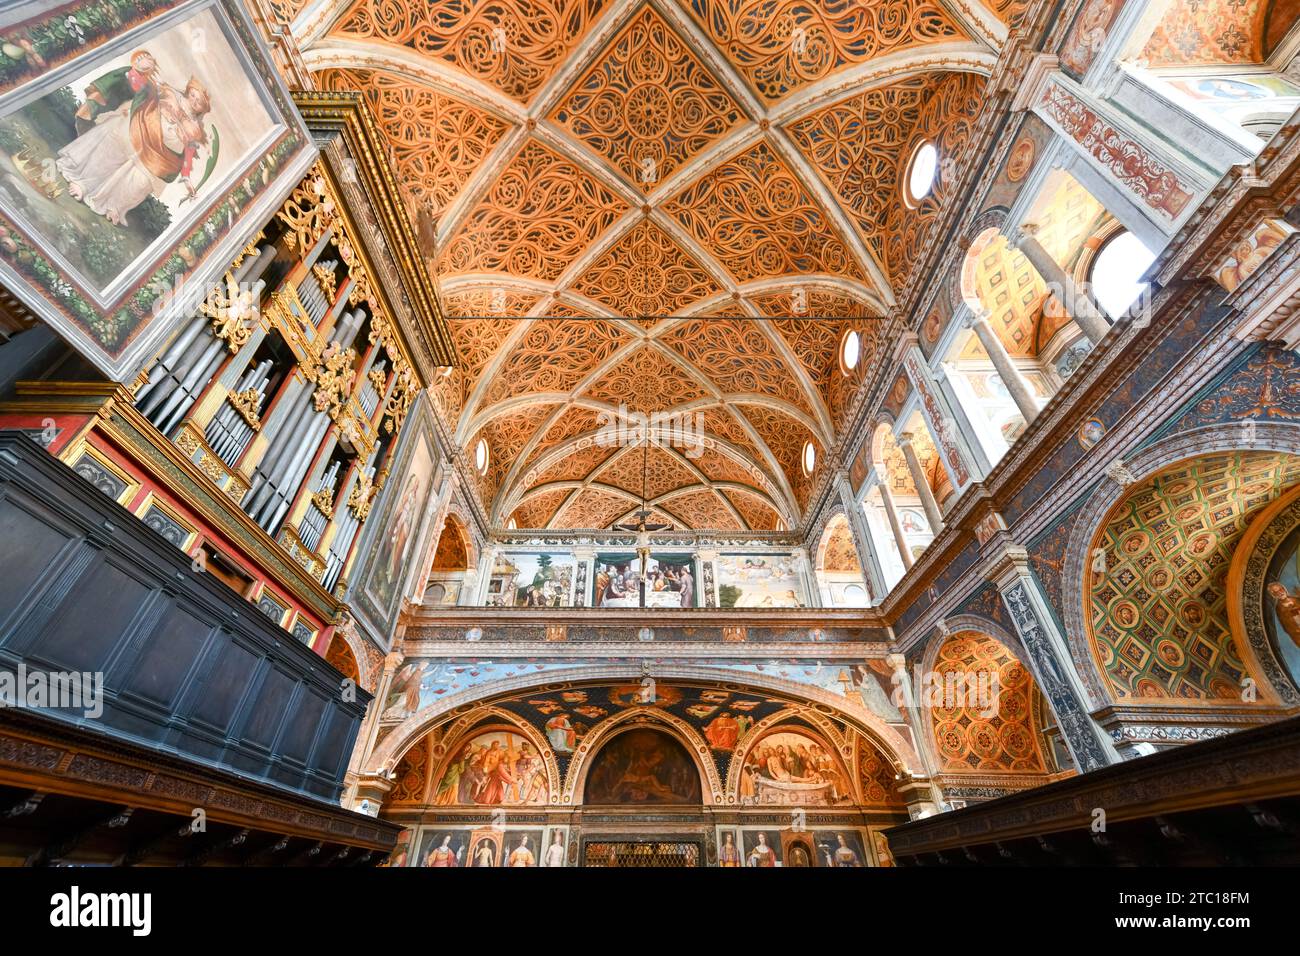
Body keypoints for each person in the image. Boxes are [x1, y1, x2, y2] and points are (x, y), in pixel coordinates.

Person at [58, 51, 214, 227]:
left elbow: (187, 154)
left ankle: (114, 206)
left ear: (202, 109)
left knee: (141, 181)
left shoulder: (194, 128)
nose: (194, 100)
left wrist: (186, 178)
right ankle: (84, 183)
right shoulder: (170, 94)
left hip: (159, 156)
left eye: (199, 102)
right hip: (141, 127)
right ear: (188, 91)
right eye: (193, 95)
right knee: (115, 141)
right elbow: (145, 95)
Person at [1269, 582, 1300, 648]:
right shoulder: (1280, 609)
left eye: (1280, 590)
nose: (1280, 593)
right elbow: (1288, 628)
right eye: (1276, 592)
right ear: (1274, 595)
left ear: (1284, 589)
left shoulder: (1296, 599)